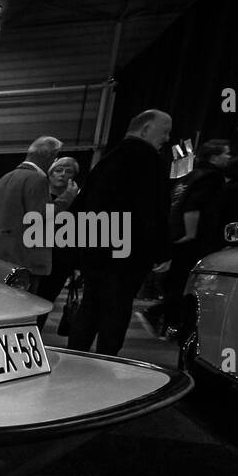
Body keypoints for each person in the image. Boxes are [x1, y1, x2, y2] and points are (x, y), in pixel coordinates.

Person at [66, 109, 173, 356]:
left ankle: (75, 356)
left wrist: (79, 250)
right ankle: (107, 361)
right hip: (128, 255)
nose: (167, 138)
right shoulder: (149, 160)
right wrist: (162, 250)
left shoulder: (107, 160)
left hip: (96, 251)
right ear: (146, 129)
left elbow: (81, 207)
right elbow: (155, 210)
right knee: (117, 310)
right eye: (165, 132)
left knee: (90, 306)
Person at [155, 139, 231, 335]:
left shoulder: (189, 176)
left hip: (175, 236)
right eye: (225, 153)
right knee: (188, 284)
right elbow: (193, 206)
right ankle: (178, 325)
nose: (228, 157)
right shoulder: (212, 177)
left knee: (175, 282)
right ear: (213, 157)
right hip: (193, 241)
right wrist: (190, 234)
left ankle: (168, 324)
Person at [0, 136, 72, 294]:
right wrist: (66, 199)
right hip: (25, 260)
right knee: (24, 304)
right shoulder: (37, 179)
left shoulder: (4, 179)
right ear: (50, 156)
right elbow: (39, 217)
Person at [34, 156, 83, 311]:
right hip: (35, 256)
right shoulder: (39, 195)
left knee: (46, 302)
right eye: (58, 170)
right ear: (50, 173)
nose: (62, 174)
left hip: (60, 259)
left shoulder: (78, 202)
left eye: (68, 171)